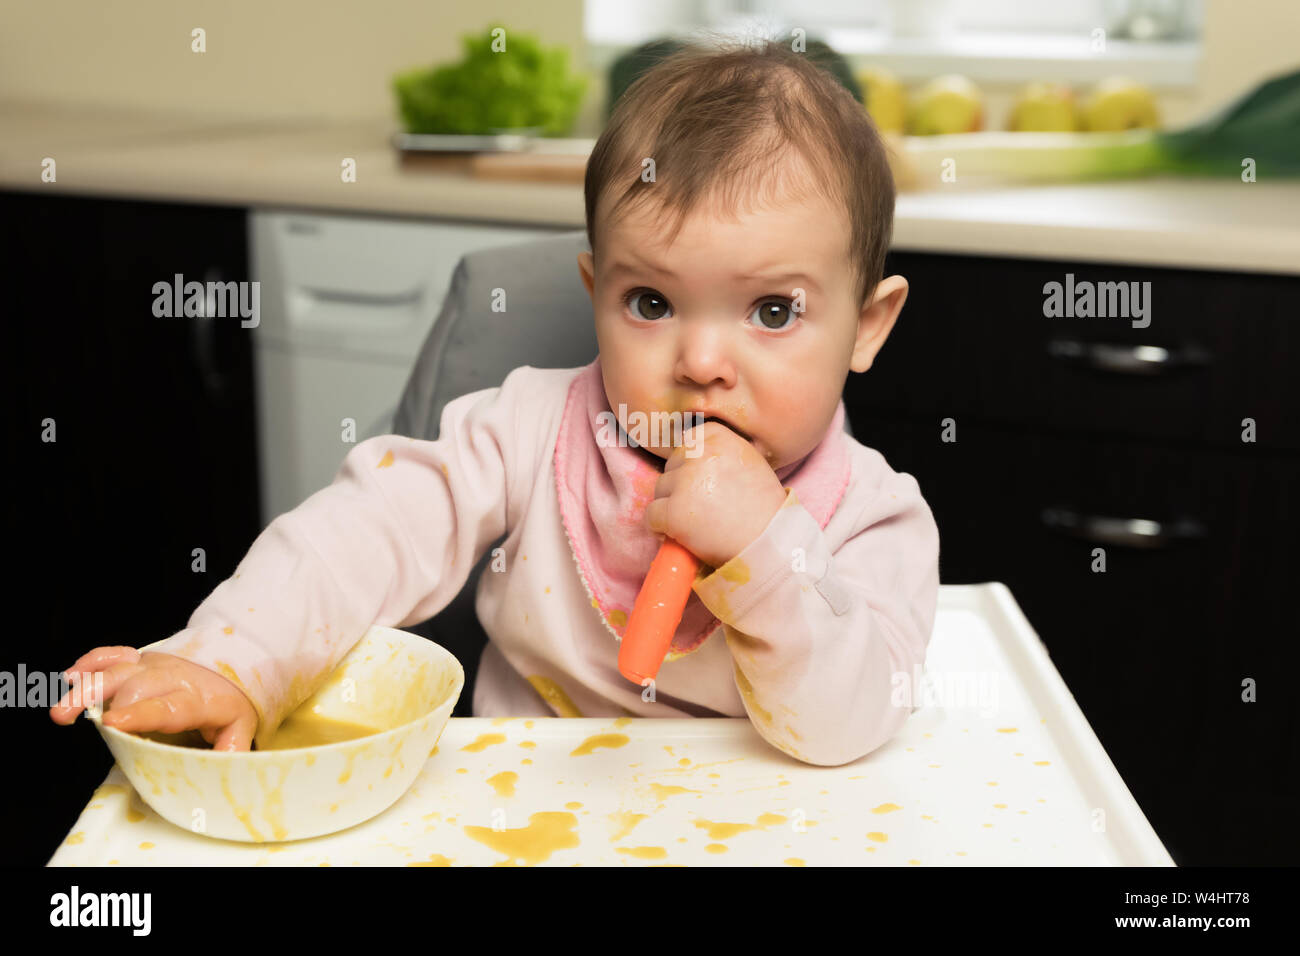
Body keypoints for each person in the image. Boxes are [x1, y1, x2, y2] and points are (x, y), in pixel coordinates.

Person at [51, 36, 939, 767]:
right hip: (516, 816)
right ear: (596, 292)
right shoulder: (525, 430)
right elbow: (363, 531)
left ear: (868, 326)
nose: (702, 361)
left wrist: (764, 550)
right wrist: (233, 659)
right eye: (651, 303)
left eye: (772, 311)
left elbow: (846, 726)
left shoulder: (872, 520)